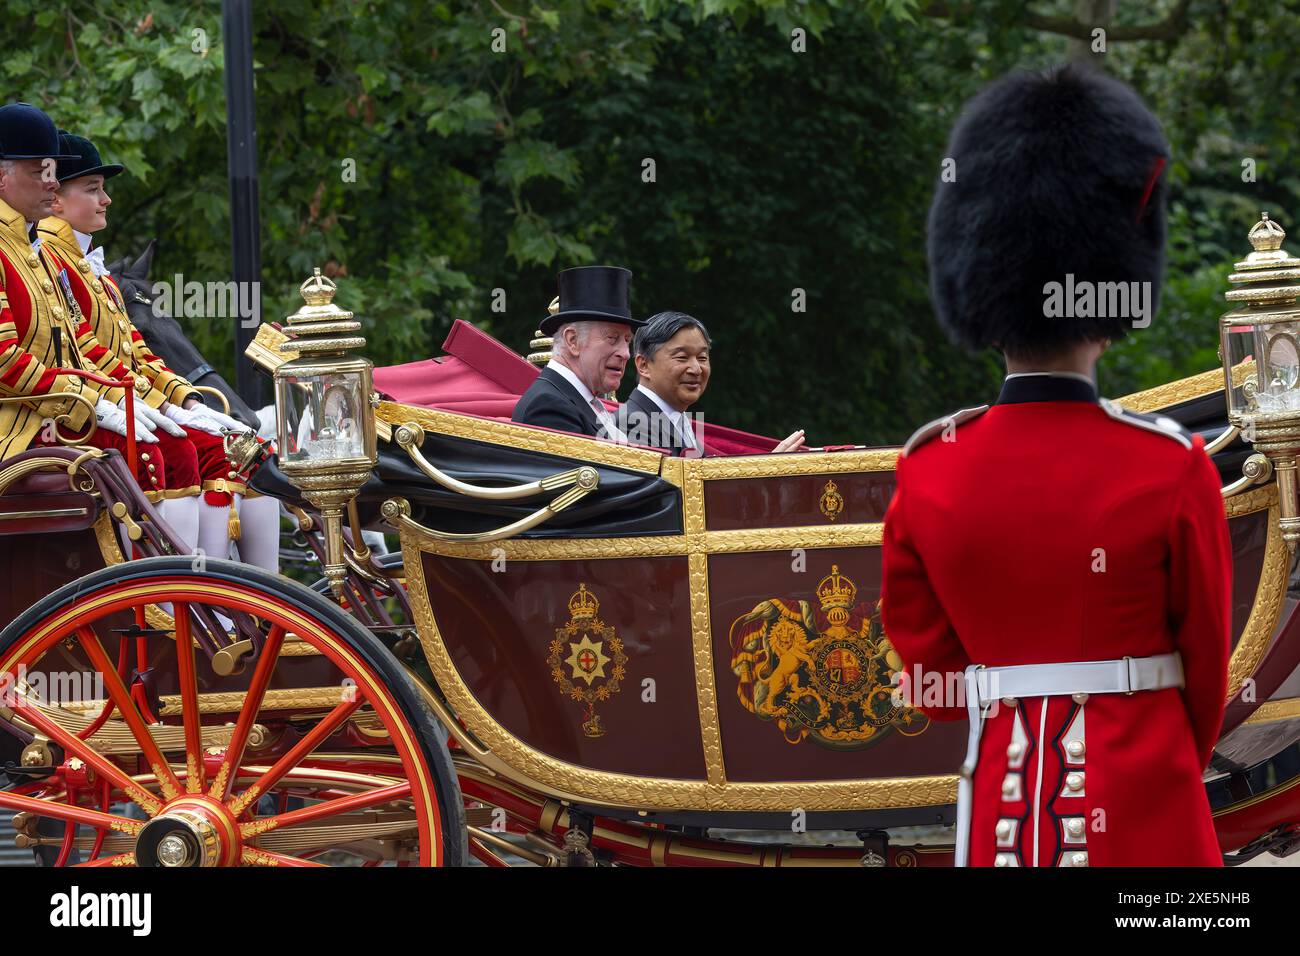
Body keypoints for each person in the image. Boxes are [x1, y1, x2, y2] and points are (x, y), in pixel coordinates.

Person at [880, 65, 1231, 867]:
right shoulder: (1171, 466)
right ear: (1108, 313)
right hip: (1151, 809)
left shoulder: (930, 470)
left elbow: (930, 673)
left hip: (1001, 811)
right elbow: (1205, 678)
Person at [37, 130, 263, 562]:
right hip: (65, 409)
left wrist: (183, 400)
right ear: (56, 200)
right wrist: (130, 404)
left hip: (109, 398)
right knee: (178, 453)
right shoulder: (54, 261)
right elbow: (77, 356)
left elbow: (136, 354)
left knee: (245, 452)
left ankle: (246, 593)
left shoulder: (89, 267)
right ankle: (191, 598)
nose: (106, 200)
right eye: (93, 189)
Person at [0, 103, 171, 488]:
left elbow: (82, 343)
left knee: (193, 450)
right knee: (158, 457)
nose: (51, 181)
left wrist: (165, 398)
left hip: (54, 412)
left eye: (53, 170)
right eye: (39, 171)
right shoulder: (30, 248)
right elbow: (4, 360)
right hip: (17, 425)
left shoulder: (34, 249)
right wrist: (88, 401)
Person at [623, 309, 805, 455]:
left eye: (702, 358)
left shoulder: (677, 422)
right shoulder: (632, 426)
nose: (696, 369)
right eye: (682, 357)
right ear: (644, 365)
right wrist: (766, 473)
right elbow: (676, 498)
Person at [511, 266, 643, 438]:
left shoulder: (575, 399)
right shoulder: (550, 407)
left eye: (627, 341)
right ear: (573, 341)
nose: (625, 354)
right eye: (612, 338)